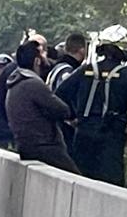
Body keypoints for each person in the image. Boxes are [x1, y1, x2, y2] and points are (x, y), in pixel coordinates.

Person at [57, 26, 127, 186]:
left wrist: (72, 117)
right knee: (112, 186)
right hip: (112, 136)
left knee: (82, 181)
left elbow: (60, 94)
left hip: (83, 133)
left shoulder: (84, 70)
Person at [5, 40, 78, 173]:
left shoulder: (14, 83)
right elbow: (62, 110)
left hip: (26, 147)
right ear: (37, 61)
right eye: (42, 54)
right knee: (77, 181)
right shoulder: (33, 84)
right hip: (45, 148)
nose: (46, 56)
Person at [47, 32, 88, 153]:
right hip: (64, 126)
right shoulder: (68, 72)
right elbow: (66, 97)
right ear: (82, 50)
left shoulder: (56, 67)